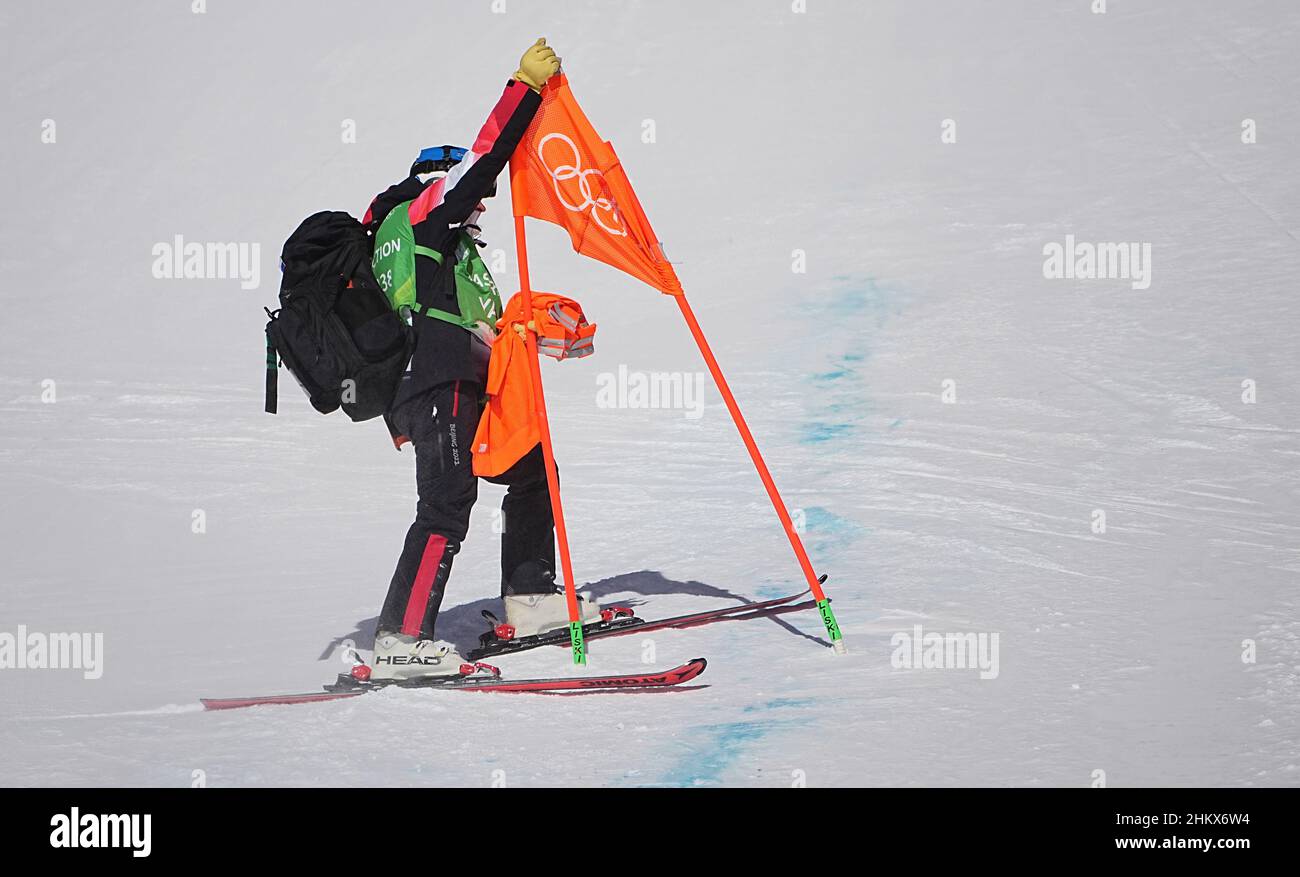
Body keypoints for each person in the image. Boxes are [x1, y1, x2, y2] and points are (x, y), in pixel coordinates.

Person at [363, 38, 601, 680]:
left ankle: (531, 600)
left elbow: (458, 321)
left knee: (533, 471)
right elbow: (488, 152)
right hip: (439, 383)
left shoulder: (417, 248)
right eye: (468, 192)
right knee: (445, 502)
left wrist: (532, 333)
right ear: (436, 182)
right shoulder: (426, 218)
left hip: (455, 383)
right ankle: (402, 637)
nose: (482, 206)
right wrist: (524, 88)